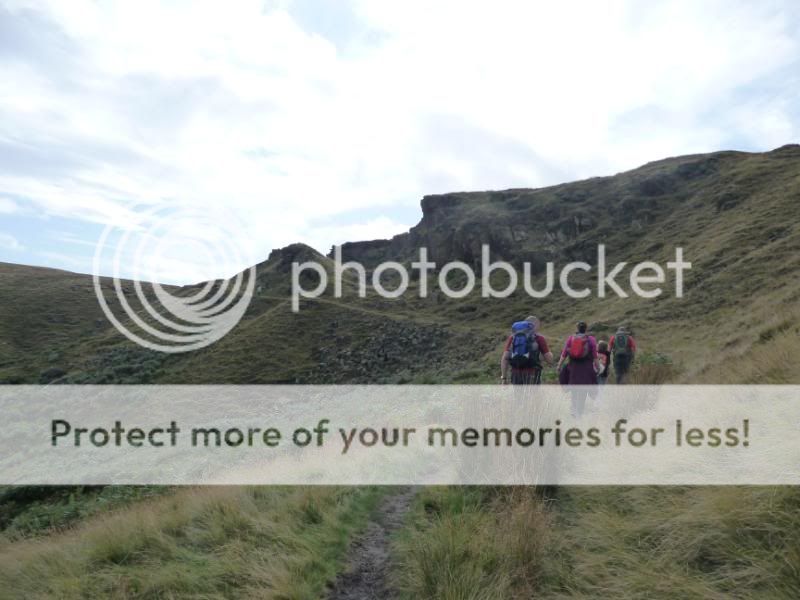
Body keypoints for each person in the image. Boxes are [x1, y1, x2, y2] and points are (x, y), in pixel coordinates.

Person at [556, 321, 600, 416]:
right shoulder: (591, 340)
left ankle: (574, 410)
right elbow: (595, 356)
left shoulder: (571, 338)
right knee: (583, 391)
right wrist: (598, 367)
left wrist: (559, 365)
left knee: (574, 390)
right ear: (586, 328)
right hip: (586, 370)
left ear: (577, 328)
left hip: (574, 370)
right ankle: (579, 412)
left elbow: (564, 354)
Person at [500, 315, 554, 386]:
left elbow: (505, 358)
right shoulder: (539, 338)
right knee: (532, 397)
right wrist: (543, 355)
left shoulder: (513, 338)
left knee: (518, 397)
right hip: (532, 374)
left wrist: (504, 378)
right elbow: (550, 360)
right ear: (535, 325)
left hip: (516, 375)